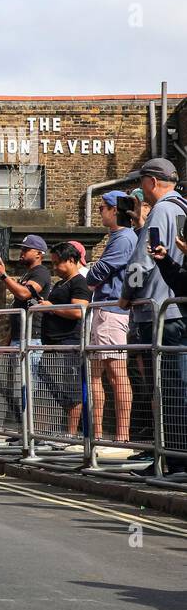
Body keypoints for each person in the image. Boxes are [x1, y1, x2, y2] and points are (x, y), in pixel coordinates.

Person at [120, 158, 187, 471]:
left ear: (151, 182)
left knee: (166, 391)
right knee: (176, 388)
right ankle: (172, 459)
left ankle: (172, 462)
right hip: (176, 312)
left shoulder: (161, 210)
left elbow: (142, 261)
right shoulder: (182, 207)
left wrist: (126, 295)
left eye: (142, 183)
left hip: (159, 315)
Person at [86, 191, 136, 444]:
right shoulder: (118, 237)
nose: (99, 211)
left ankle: (122, 437)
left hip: (112, 311)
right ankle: (98, 436)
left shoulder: (124, 238)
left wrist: (92, 274)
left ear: (115, 210)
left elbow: (98, 273)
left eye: (103, 207)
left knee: (116, 374)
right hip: (104, 310)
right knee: (96, 374)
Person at [35, 242, 91, 438]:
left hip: (68, 344)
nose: (54, 267)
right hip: (52, 344)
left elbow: (79, 311)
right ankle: (51, 431)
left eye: (58, 263)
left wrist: (50, 307)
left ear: (72, 260)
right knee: (50, 383)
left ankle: (71, 433)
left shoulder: (78, 283)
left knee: (70, 388)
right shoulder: (61, 284)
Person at [0, 234, 51, 347]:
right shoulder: (27, 274)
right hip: (18, 337)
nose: (22, 252)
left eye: (26, 249)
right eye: (21, 249)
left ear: (38, 254)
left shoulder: (41, 272)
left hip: (31, 338)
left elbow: (24, 293)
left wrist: (3, 274)